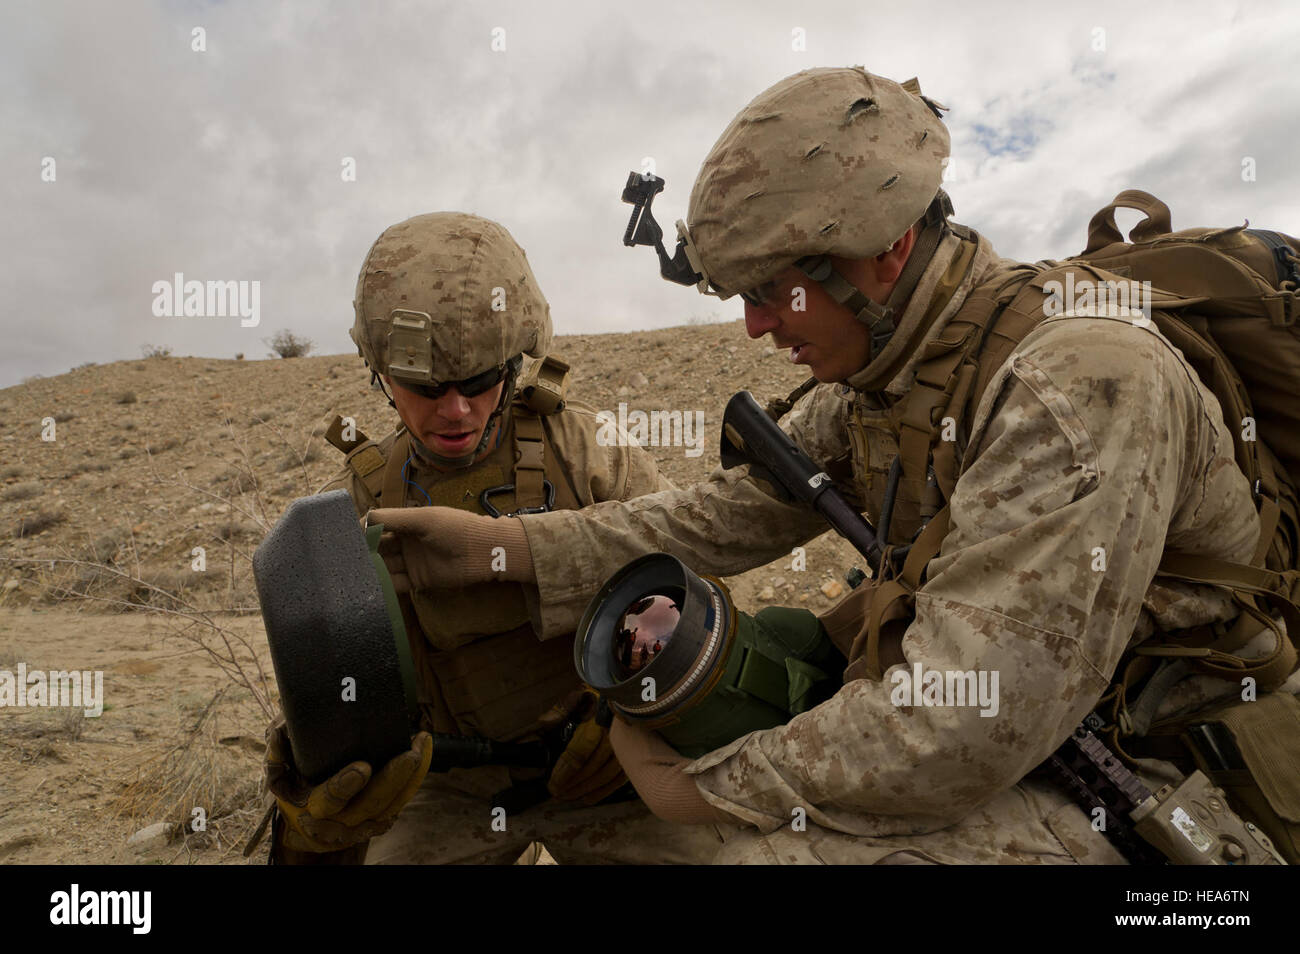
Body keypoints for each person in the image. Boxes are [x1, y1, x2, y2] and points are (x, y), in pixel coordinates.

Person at [370, 70, 1298, 864]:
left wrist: (708, 788)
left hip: (1167, 758)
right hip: (1054, 717)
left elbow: (961, 722)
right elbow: (725, 514)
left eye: (775, 291)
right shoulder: (897, 369)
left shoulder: (1077, 386)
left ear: (885, 247)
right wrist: (507, 548)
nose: (756, 326)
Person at [261, 212, 732, 864]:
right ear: (380, 374)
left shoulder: (588, 451)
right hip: (454, 785)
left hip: (610, 760)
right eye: (426, 388)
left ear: (514, 367)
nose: (454, 411)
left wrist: (632, 719)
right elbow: (349, 674)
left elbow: (703, 591)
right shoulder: (365, 495)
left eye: (480, 381)